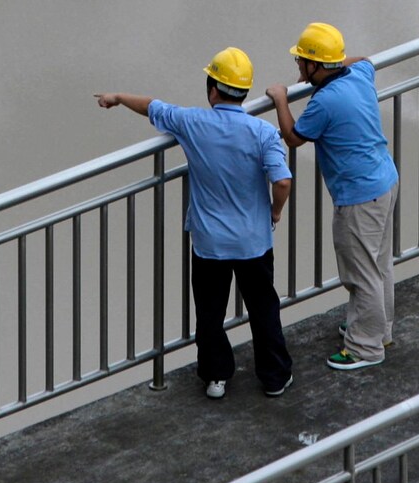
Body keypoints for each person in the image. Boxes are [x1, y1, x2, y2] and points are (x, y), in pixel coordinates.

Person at [96, 47, 294, 399]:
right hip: (254, 240)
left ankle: (216, 377)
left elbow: (152, 106)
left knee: (210, 312)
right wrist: (275, 211)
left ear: (212, 89)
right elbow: (282, 181)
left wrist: (117, 97)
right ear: (245, 91)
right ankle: (275, 376)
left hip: (210, 242)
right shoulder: (262, 132)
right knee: (264, 308)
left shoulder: (192, 123)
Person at [268, 21, 400, 371]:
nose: (298, 66)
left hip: (358, 196)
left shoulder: (324, 102)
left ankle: (365, 347)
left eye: (302, 61)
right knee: (379, 263)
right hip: (384, 180)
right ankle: (378, 328)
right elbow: (365, 58)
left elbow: (294, 137)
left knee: (362, 273)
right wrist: (334, 62)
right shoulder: (357, 74)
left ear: (315, 65)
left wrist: (281, 98)